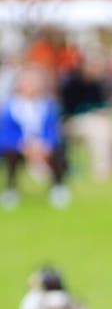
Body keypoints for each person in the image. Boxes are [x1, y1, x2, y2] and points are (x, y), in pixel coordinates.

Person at [0, 63, 69, 209]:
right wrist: (22, 144)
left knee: (58, 148)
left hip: (42, 146)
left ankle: (58, 187)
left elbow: (52, 130)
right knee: (10, 153)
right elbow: (5, 133)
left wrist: (44, 144)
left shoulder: (48, 105)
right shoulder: (9, 107)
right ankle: (11, 189)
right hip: (19, 147)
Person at [60, 55, 112, 182]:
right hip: (72, 122)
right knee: (99, 128)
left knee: (107, 125)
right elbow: (68, 109)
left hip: (95, 121)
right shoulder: (71, 84)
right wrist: (91, 110)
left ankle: (111, 164)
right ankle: (102, 170)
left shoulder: (97, 85)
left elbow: (101, 103)